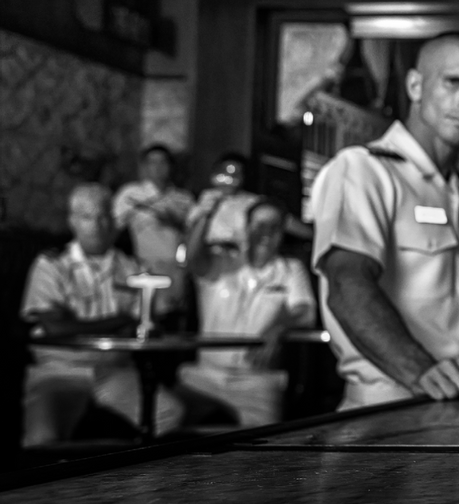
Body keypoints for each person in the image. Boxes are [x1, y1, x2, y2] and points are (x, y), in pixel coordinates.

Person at [312, 32, 459, 408]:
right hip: (392, 403)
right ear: (415, 85)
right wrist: (420, 371)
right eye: (453, 82)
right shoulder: (363, 169)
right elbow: (346, 284)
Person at [21, 183, 184, 445]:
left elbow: (143, 324)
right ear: (73, 221)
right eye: (87, 217)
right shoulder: (51, 265)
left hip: (114, 370)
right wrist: (119, 320)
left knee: (169, 414)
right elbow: (55, 328)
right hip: (59, 370)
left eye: (104, 216)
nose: (97, 225)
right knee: (41, 439)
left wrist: (78, 324)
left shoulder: (132, 267)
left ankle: (138, 481)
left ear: (114, 220)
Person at [178, 195, 315, 426]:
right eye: (259, 224)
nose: (266, 232)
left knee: (264, 450)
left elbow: (305, 312)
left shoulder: (291, 269)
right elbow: (192, 259)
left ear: (283, 232)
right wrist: (205, 216)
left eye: (274, 226)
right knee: (167, 430)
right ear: (246, 227)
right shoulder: (221, 261)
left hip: (258, 381)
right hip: (204, 376)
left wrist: (280, 326)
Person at [114, 144, 195, 309]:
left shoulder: (183, 198)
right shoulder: (130, 194)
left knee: (174, 313)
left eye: (162, 162)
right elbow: (114, 226)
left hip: (176, 268)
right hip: (145, 265)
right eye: (152, 163)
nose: (158, 168)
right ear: (144, 167)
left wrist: (175, 222)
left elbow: (194, 233)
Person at [186, 152, 250, 233]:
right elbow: (189, 225)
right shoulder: (206, 196)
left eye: (235, 175)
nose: (229, 179)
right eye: (224, 172)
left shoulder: (251, 202)